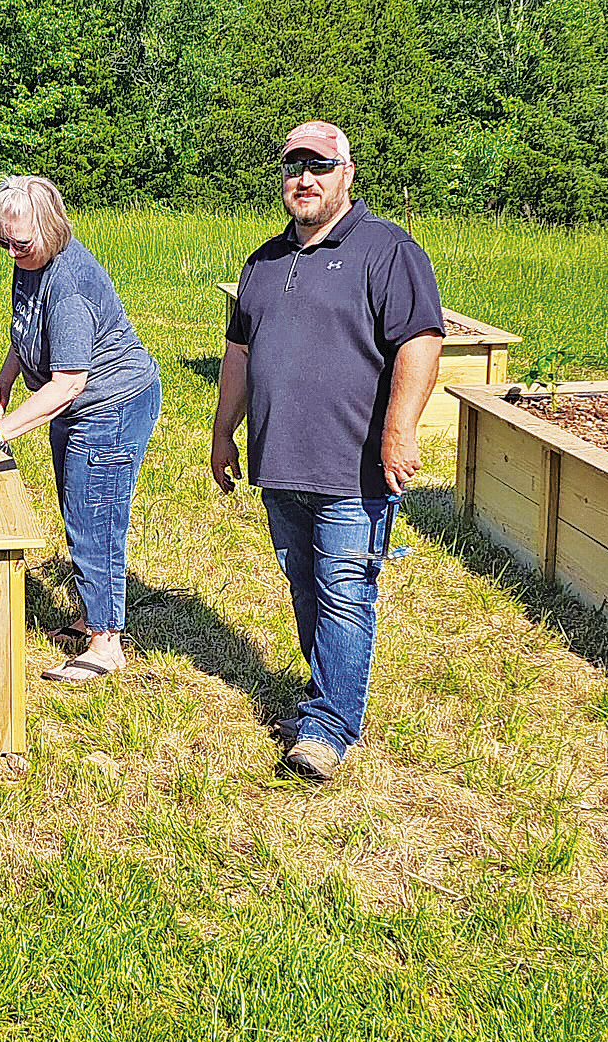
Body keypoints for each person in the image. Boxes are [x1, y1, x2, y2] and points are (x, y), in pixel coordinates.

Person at [210, 120, 444, 783]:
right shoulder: (263, 261)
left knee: (344, 592)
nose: (302, 178)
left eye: (317, 165)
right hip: (280, 462)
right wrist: (224, 430)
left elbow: (421, 341)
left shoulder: (388, 251)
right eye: (292, 167)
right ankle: (329, 699)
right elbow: (241, 353)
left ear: (347, 173)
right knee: (306, 586)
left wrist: (399, 432)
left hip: (354, 465)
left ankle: (329, 728)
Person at [0, 176, 161, 683]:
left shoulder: (68, 284)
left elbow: (68, 384)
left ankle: (106, 642)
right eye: (1, 242)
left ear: (50, 230)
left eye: (19, 243)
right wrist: (2, 387)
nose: (9, 253)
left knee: (96, 516)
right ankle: (94, 612)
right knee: (79, 509)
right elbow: (24, 329)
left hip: (110, 405)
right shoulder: (31, 263)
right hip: (76, 403)